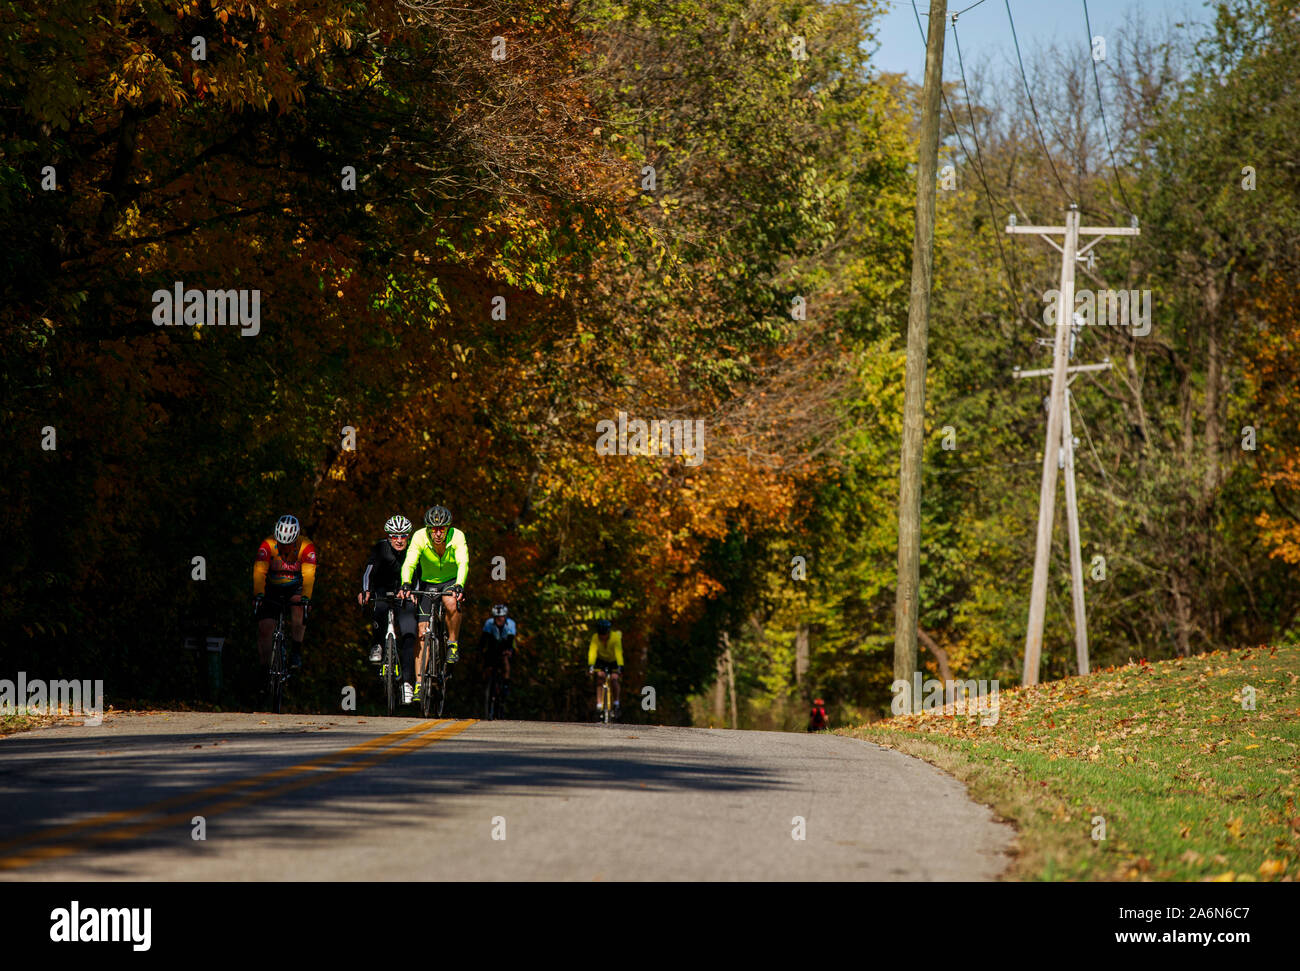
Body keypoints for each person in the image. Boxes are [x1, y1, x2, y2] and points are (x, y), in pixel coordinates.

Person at [399, 505, 468, 701]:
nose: (437, 533)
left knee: (452, 603)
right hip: (428, 583)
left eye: (442, 529)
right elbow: (410, 562)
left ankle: (452, 643)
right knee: (422, 631)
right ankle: (420, 684)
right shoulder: (420, 537)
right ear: (428, 528)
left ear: (448, 528)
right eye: (433, 529)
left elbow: (464, 562)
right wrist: (405, 583)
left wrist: (460, 585)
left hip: (450, 580)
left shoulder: (457, 537)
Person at [358, 514, 419, 704]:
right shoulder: (380, 548)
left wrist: (414, 592)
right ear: (388, 536)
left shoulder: (414, 550)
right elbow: (369, 570)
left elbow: (418, 574)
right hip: (383, 589)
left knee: (410, 633)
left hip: (405, 592)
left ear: (408, 537)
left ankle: (408, 684)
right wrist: (366, 591)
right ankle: (377, 644)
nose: (399, 540)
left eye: (403, 536)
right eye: (394, 536)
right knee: (380, 608)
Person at [252, 514, 317, 671]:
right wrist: (258, 594)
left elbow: (309, 575)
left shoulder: (306, 546)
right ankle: (264, 669)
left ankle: (296, 651)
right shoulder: (267, 544)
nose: (284, 548)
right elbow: (259, 571)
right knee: (265, 628)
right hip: (271, 587)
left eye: (288, 544)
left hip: (295, 587)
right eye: (281, 544)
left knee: (300, 606)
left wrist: (307, 598)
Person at [480, 604, 516, 706]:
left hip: (507, 644)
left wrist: (508, 651)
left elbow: (510, 640)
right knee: (486, 661)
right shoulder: (489, 623)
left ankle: (505, 684)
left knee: (505, 660)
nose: (499, 619)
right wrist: (480, 650)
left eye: (501, 617)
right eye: (497, 617)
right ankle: (486, 684)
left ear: (505, 617)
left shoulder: (510, 624)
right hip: (493, 645)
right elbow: (484, 639)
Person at [588, 618, 623, 717]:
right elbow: (592, 651)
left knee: (614, 679)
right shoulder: (595, 637)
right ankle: (599, 705)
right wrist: (591, 665)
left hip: (613, 660)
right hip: (601, 660)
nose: (603, 637)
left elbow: (618, 652)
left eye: (605, 635)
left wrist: (620, 666)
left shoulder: (615, 637)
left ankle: (616, 703)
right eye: (601, 635)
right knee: (600, 678)